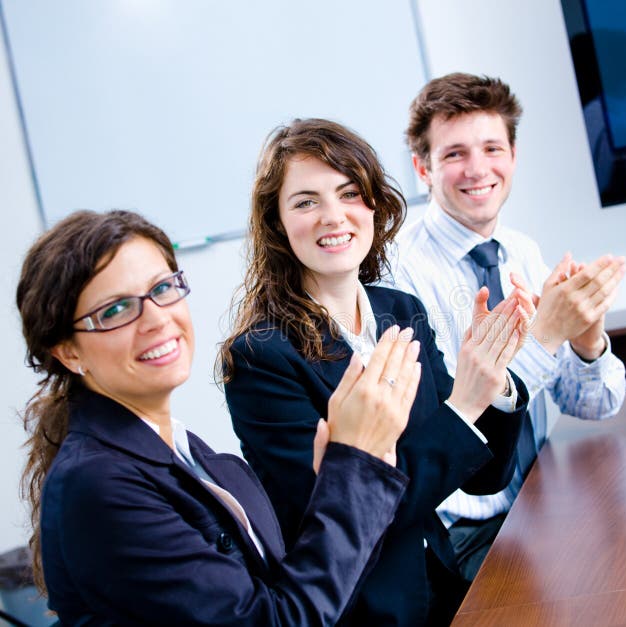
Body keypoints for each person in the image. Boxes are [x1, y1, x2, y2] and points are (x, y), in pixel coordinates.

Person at [17, 209, 418, 626]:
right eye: (115, 310)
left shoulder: (190, 453)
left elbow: (290, 590)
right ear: (68, 352)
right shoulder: (97, 484)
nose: (156, 319)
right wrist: (355, 469)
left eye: (162, 288)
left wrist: (336, 483)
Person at [220, 118, 531, 626]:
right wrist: (466, 404)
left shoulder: (400, 311)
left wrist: (493, 383)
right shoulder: (261, 357)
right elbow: (355, 516)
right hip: (366, 609)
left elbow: (482, 476)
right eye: (305, 202)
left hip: (442, 581)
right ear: (277, 224)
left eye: (349, 193)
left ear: (373, 205)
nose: (333, 216)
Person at [389, 73, 626, 580]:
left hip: (545, 497)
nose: (478, 169)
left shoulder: (522, 251)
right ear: (422, 168)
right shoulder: (399, 275)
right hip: (468, 531)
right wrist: (544, 335)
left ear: (513, 156)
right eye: (454, 153)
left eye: (492, 147)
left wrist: (586, 339)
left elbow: (595, 403)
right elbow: (457, 419)